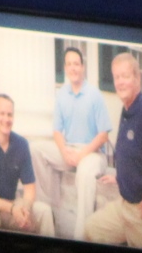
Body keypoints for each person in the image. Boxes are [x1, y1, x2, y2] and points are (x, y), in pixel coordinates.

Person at [85, 51, 142, 253]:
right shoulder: (127, 111)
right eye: (116, 77)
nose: (120, 82)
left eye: (125, 76)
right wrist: (121, 178)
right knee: (90, 230)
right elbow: (137, 157)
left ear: (138, 78)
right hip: (125, 206)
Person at [33, 46, 113, 241]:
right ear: (66, 68)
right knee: (36, 149)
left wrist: (82, 153)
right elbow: (56, 131)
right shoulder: (61, 95)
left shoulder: (94, 94)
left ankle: (81, 235)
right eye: (69, 64)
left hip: (93, 153)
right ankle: (47, 209)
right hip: (70, 151)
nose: (72, 68)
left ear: (82, 67)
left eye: (76, 63)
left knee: (85, 171)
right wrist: (64, 150)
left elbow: (103, 135)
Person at [0, 95, 57, 237]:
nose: (6, 119)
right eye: (2, 114)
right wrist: (12, 208)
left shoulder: (21, 144)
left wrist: (24, 209)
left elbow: (30, 187)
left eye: (10, 115)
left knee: (43, 211)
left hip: (11, 205)